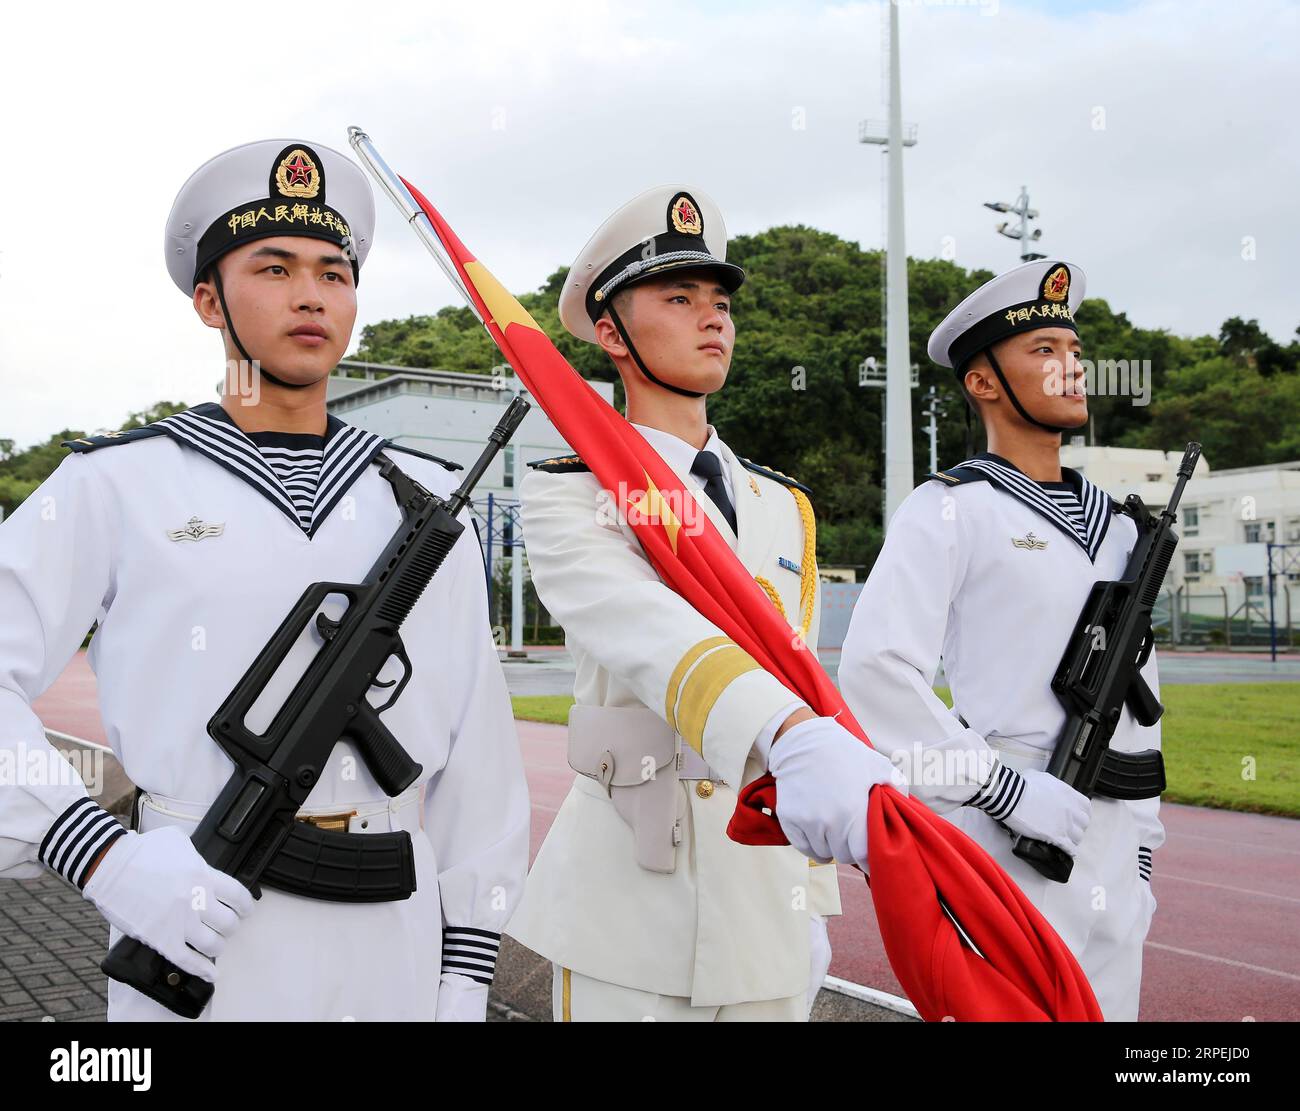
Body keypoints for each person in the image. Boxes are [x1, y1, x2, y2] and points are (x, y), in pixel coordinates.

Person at [0, 138, 529, 1021]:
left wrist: (467, 970)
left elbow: (482, 756)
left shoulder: (429, 499)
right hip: (192, 922)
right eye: (275, 268)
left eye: (334, 271)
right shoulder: (118, 483)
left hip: (394, 940)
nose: (312, 294)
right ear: (210, 300)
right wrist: (104, 857)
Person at [505, 185, 900, 1021]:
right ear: (610, 333)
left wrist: (812, 891)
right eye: (678, 298)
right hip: (628, 908)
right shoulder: (569, 496)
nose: (711, 318)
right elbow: (648, 633)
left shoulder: (780, 503)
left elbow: (806, 688)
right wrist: (790, 737)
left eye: (719, 301)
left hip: (765, 907)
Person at [838, 260, 1163, 1021]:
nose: (1071, 369)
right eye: (1043, 352)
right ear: (982, 383)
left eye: (1074, 353)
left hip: (1111, 840)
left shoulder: (1121, 526)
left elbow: (1142, 701)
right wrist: (1004, 790)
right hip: (1010, 831)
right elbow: (876, 673)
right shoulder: (949, 510)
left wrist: (1144, 843)